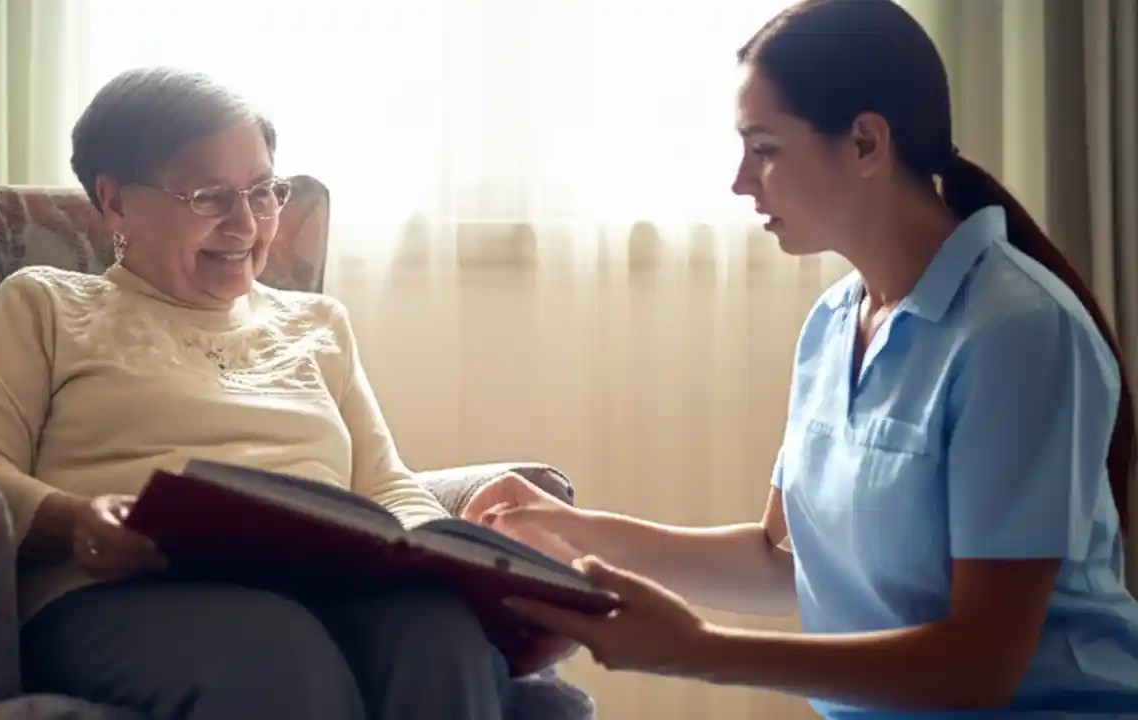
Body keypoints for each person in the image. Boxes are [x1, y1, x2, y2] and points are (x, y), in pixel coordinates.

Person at [463, 0, 1138, 716]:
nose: (740, 180)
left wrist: (698, 651)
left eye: (766, 149)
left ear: (866, 144)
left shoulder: (1017, 335)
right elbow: (782, 562)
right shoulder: (831, 326)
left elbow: (981, 664)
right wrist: (562, 526)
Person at [0, 67, 508, 720]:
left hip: (323, 587)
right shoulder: (47, 305)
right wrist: (77, 520)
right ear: (115, 202)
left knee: (440, 634)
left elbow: (387, 485)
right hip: (122, 594)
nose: (246, 224)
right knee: (276, 651)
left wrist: (450, 552)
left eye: (263, 192)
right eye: (209, 196)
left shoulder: (318, 324)